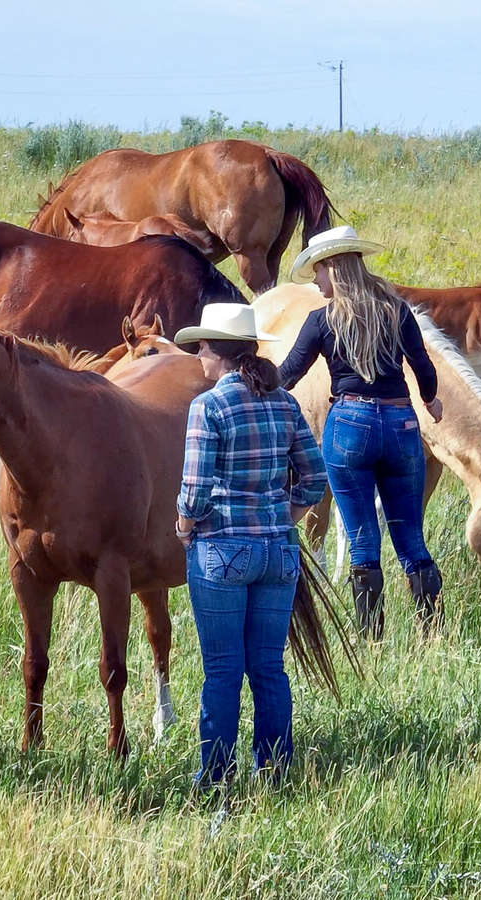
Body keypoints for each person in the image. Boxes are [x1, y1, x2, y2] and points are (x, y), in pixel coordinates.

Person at [174, 303, 327, 790]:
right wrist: (285, 516)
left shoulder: (209, 407)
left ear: (214, 351)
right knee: (269, 667)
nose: (197, 356)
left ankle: (216, 777)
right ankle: (276, 772)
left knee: (222, 671)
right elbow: (314, 476)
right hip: (279, 553)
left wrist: (183, 524)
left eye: (200, 346)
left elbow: (195, 493)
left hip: (221, 551)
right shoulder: (284, 403)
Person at [277, 225, 446, 639]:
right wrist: (430, 399)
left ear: (333, 268)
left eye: (318, 271)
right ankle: (432, 632)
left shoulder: (322, 321)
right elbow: (423, 366)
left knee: (362, 541)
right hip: (402, 423)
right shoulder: (396, 310)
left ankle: (371, 638)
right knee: (410, 535)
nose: (316, 282)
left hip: (349, 426)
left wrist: (250, 384)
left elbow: (289, 373)